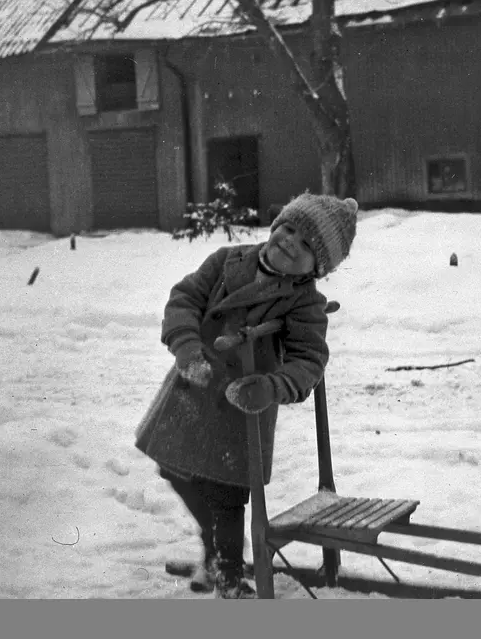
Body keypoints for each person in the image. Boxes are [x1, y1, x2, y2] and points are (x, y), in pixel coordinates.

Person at [136, 193, 358, 598]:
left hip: (242, 403)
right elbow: (184, 298)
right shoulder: (226, 261)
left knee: (227, 491)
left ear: (318, 268)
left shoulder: (304, 302)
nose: (290, 243)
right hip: (193, 384)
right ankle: (213, 546)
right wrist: (186, 347)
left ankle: (229, 571)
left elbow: (308, 361)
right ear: (276, 226)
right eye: (288, 229)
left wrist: (271, 387)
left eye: (306, 245)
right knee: (173, 467)